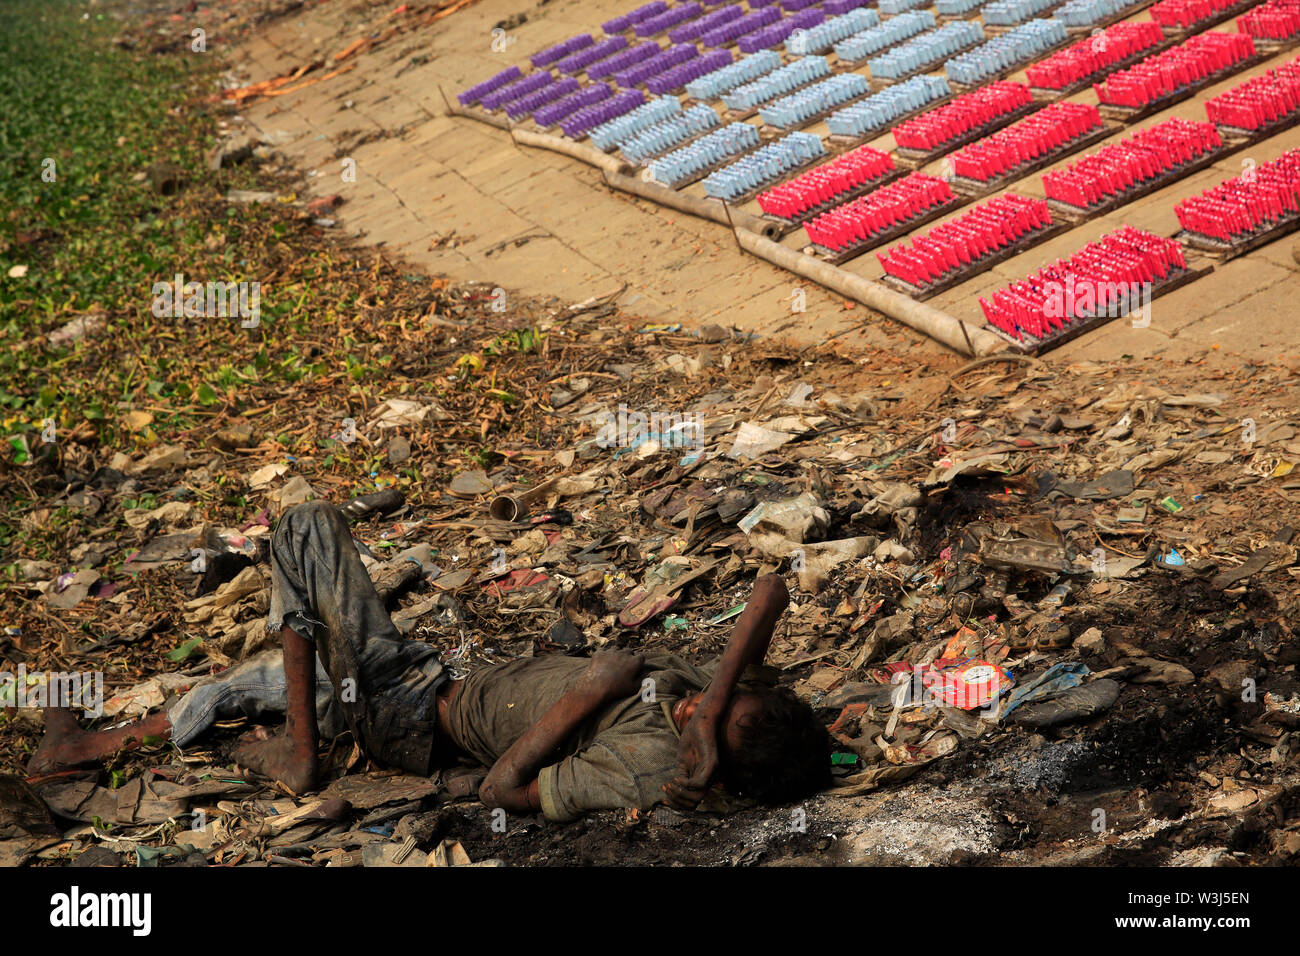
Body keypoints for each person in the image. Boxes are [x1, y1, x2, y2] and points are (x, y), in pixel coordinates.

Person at [29, 501, 830, 820]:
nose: (692, 705)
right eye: (710, 702)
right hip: (429, 680)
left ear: (715, 763)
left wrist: (594, 687)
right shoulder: (710, 710)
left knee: (305, 527)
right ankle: (79, 747)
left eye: (706, 721)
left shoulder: (650, 767)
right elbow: (766, 591)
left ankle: (304, 752)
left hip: (406, 711)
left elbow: (502, 787)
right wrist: (714, 704)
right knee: (241, 689)